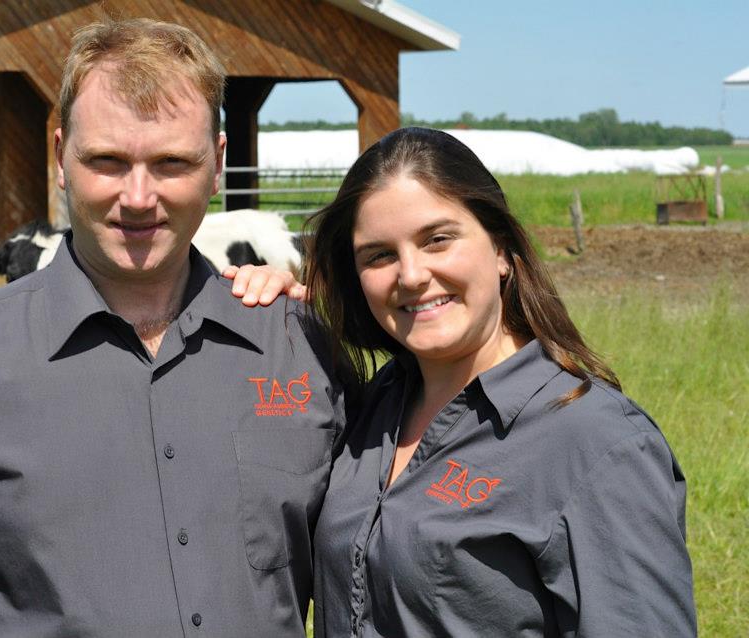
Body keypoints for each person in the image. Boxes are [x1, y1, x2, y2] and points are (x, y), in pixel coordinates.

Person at [0, 18, 344, 637]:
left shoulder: (299, 347)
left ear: (217, 164)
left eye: (172, 162)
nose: (138, 196)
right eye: (107, 161)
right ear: (60, 157)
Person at [231, 127, 696, 636]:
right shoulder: (368, 408)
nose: (411, 275)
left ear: (500, 250)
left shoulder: (598, 444)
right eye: (379, 255)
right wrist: (275, 317)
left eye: (437, 239)